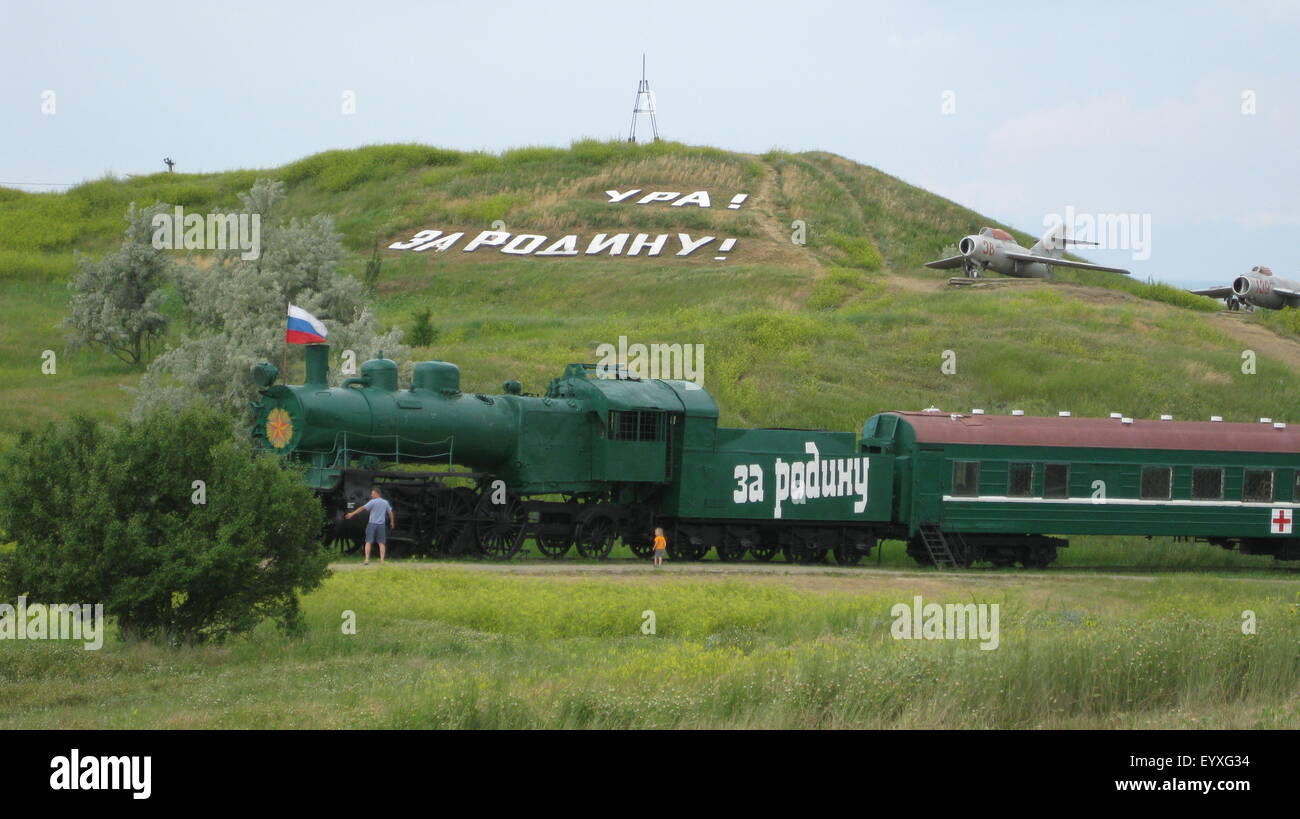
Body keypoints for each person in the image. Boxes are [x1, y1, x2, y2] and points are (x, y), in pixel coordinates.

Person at [345, 487, 395, 565]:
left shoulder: (372, 502)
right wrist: (392, 522)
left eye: (372, 493)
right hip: (381, 525)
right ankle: (382, 561)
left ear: (377, 493)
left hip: (372, 524)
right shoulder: (385, 502)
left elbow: (362, 508)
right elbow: (390, 512)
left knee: (368, 542)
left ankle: (367, 560)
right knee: (381, 543)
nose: (371, 495)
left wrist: (352, 513)